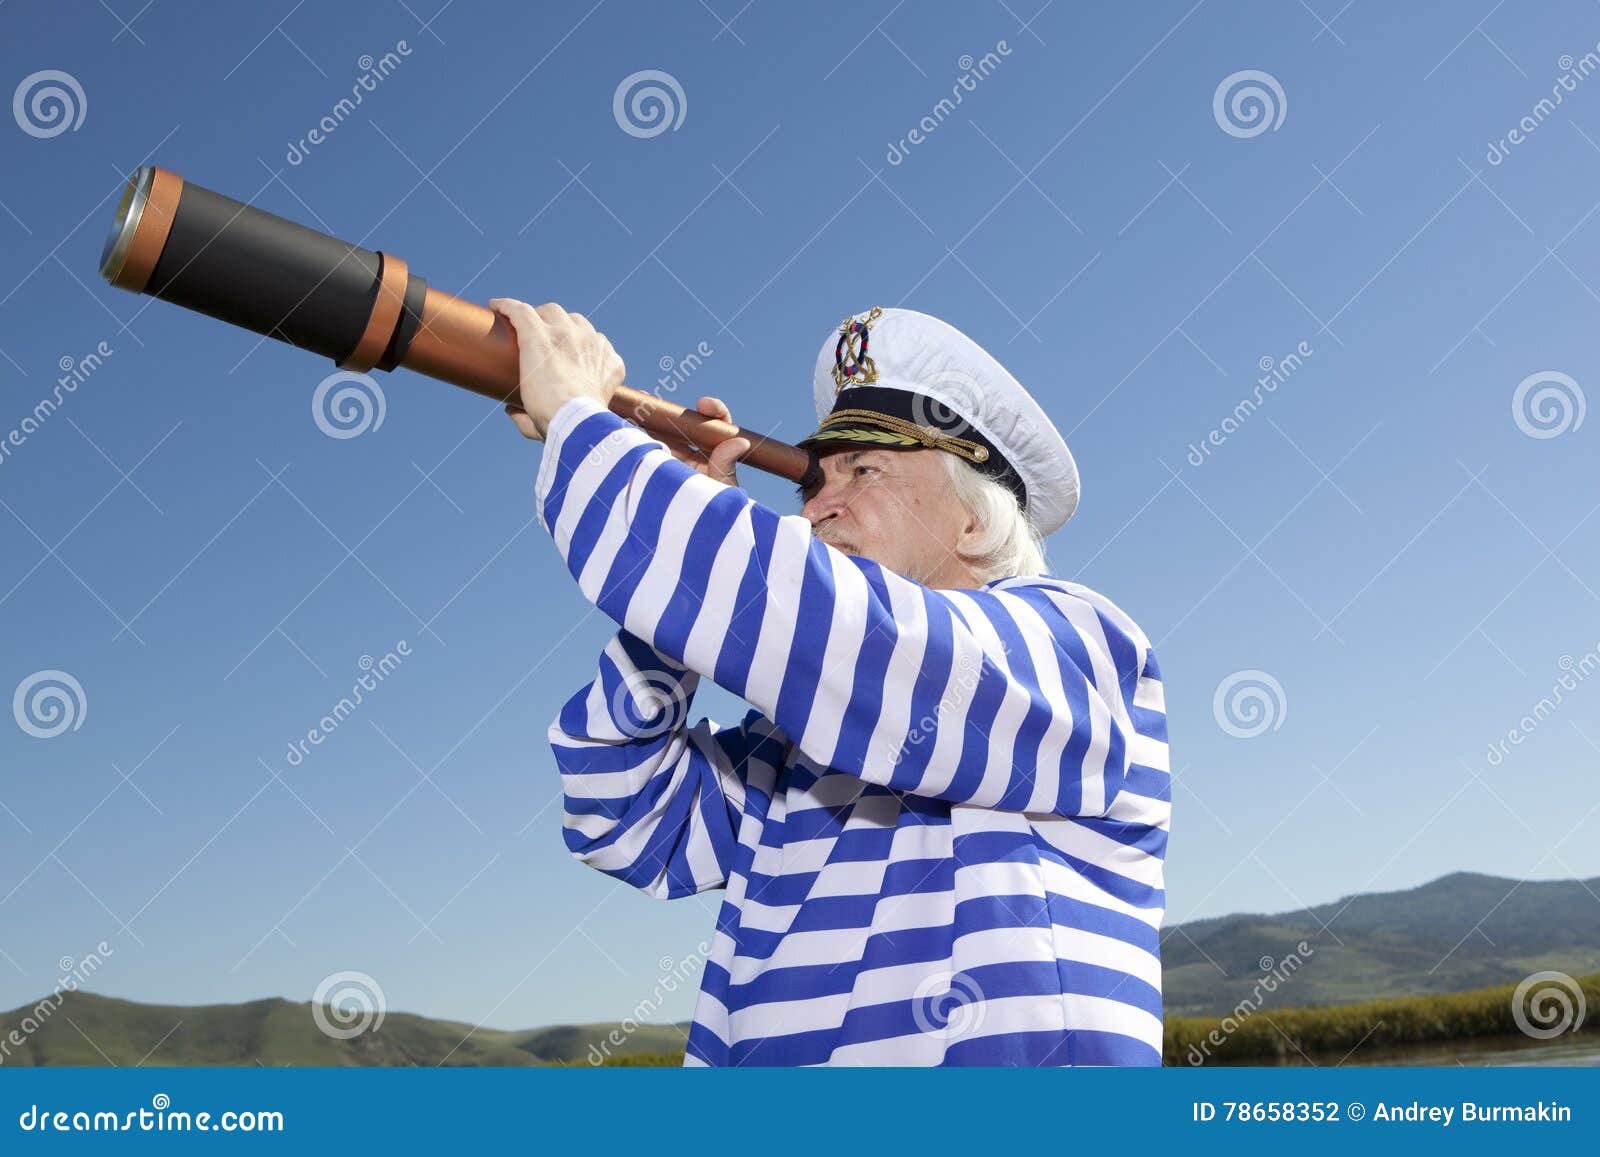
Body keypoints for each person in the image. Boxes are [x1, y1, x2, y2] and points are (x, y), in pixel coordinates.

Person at [492, 299, 1170, 1066]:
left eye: (865, 468)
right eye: (812, 482)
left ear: (973, 522)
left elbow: (840, 627)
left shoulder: (1076, 649)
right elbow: (620, 813)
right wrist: (668, 621)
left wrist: (587, 426)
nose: (818, 503)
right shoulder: (800, 751)